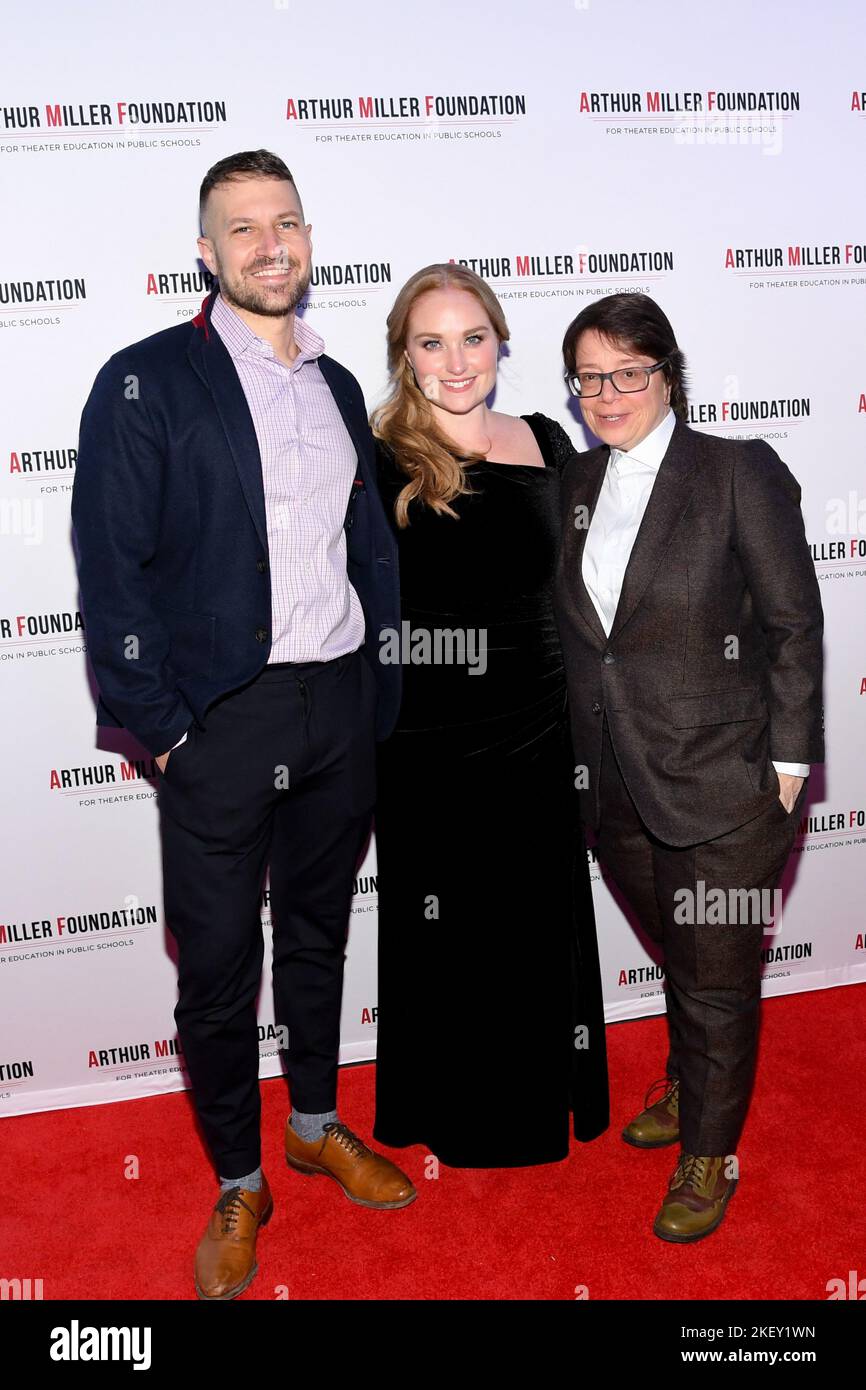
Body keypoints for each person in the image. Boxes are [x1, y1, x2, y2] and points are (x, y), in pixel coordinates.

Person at [71, 149, 415, 1302]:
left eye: (288, 222)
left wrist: (381, 688)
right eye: (244, 228)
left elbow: (361, 549)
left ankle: (315, 1121)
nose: (272, 244)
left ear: (307, 239)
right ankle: (238, 1176)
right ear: (207, 254)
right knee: (218, 967)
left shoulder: (333, 384)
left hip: (337, 704)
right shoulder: (145, 379)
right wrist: (164, 731)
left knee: (317, 933)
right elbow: (112, 570)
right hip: (221, 719)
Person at [554, 292, 823, 1241]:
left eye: (629, 372)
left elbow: (792, 624)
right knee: (684, 948)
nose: (609, 393)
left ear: (669, 374)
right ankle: (692, 1082)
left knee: (715, 974)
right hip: (613, 784)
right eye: (590, 377)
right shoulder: (574, 483)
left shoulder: (737, 472)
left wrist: (789, 764)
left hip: (726, 780)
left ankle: (709, 1153)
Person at [370, 264, 609, 1167]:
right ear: (406, 355)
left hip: (541, 723)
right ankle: (458, 1111)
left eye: (473, 337)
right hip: (430, 737)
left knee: (534, 918)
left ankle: (543, 1101)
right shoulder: (380, 453)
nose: (456, 359)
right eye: (431, 342)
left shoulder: (546, 440)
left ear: (501, 343)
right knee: (447, 927)